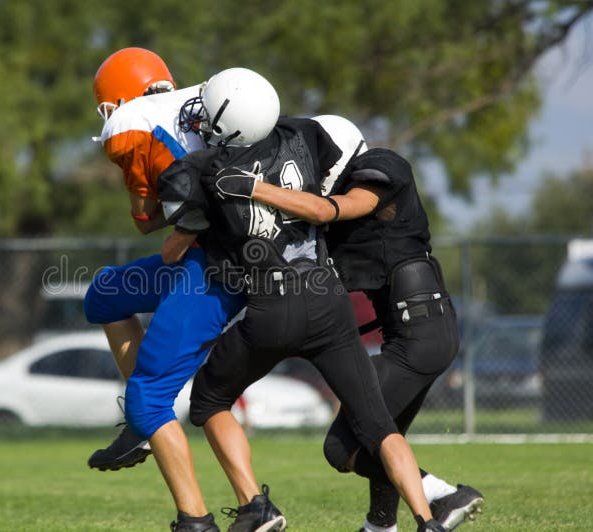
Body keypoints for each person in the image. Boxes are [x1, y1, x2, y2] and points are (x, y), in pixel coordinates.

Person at [158, 66, 447, 532]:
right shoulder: (304, 135)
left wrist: (187, 229)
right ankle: (427, 521)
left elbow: (174, 249)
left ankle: (255, 506)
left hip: (271, 307)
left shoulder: (205, 169)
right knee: (377, 424)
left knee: (209, 400)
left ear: (229, 120)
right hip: (327, 300)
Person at [204, 113, 484, 531]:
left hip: (421, 330)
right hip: (409, 331)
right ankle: (380, 525)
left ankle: (441, 495)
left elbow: (326, 210)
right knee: (382, 434)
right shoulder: (329, 187)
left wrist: (255, 188)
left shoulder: (383, 167)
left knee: (342, 447)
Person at [84, 47, 246, 531]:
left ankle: (204, 517)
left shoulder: (132, 123)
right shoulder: (210, 102)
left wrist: (165, 201)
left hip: (215, 262)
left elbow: (142, 219)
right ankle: (143, 426)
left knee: (163, 396)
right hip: (242, 252)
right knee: (105, 293)